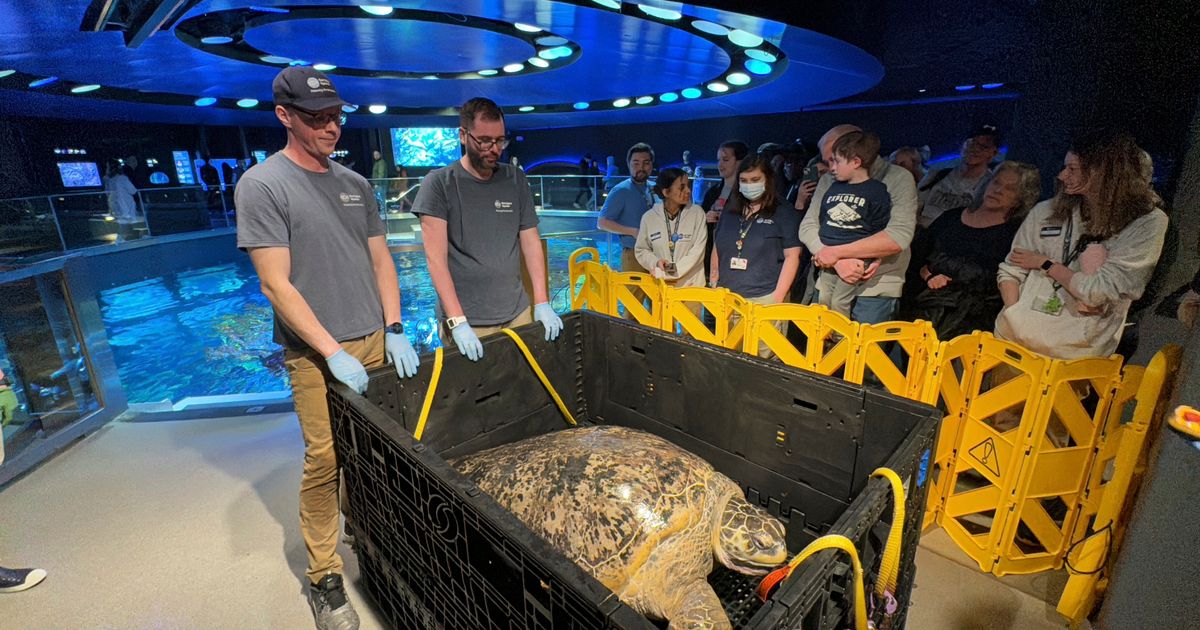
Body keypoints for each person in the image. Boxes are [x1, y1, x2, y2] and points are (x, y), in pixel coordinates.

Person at [235, 65, 420, 630]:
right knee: (326, 460)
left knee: (380, 453)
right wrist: (329, 350)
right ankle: (323, 577)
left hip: (374, 340)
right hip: (317, 354)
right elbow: (275, 283)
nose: (331, 127)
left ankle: (374, 537)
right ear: (284, 116)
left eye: (336, 116)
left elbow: (381, 258)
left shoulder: (355, 184)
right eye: (316, 118)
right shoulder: (262, 185)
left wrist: (394, 326)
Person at [411, 97, 562, 362]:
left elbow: (530, 242)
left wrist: (541, 302)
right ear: (463, 135)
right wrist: (457, 321)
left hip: (517, 313)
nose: (494, 149)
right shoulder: (439, 184)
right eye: (484, 141)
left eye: (500, 141)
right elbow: (435, 259)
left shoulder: (515, 178)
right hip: (470, 321)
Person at [995, 130, 1167, 360]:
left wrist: (1047, 264)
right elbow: (1012, 268)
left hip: (1073, 354)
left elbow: (1098, 291)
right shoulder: (1045, 211)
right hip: (1012, 342)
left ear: (1102, 172)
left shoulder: (1147, 222)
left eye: (1073, 169)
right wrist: (1014, 315)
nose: (1062, 176)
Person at [903, 161, 1040, 339]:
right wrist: (928, 276)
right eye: (996, 182)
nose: (998, 190)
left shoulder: (1018, 236)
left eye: (1010, 188)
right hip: (925, 315)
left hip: (975, 328)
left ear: (1022, 198)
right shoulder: (950, 218)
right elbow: (918, 259)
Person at [799, 124, 919, 324]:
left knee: (863, 352)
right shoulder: (830, 180)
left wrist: (838, 253)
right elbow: (808, 226)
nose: (831, 168)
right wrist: (835, 259)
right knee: (824, 345)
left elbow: (898, 236)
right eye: (828, 161)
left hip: (875, 289)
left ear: (856, 154)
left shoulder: (897, 178)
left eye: (835, 160)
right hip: (830, 275)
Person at [710, 155, 802, 357]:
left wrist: (776, 299)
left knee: (763, 359)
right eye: (744, 181)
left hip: (764, 298)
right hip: (729, 297)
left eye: (754, 180)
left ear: (767, 180)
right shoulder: (731, 208)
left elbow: (792, 256)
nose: (749, 185)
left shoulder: (783, 211)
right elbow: (718, 244)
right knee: (729, 355)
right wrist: (714, 281)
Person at [811, 131, 892, 318]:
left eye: (837, 161)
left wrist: (872, 257)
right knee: (823, 298)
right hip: (828, 253)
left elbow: (880, 224)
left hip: (855, 257)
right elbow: (823, 215)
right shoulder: (834, 186)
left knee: (840, 301)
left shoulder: (876, 190)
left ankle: (839, 340)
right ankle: (823, 338)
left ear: (856, 162)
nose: (832, 167)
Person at [634, 167, 707, 294]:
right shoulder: (649, 218)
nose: (688, 191)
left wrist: (669, 273)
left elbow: (697, 252)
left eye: (688, 185)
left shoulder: (697, 213)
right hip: (661, 289)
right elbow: (641, 250)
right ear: (666, 192)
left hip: (691, 287)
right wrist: (656, 262)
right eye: (682, 187)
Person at [917, 125, 1001, 228]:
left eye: (983, 146)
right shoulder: (936, 175)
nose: (975, 149)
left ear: (993, 153)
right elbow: (915, 206)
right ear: (963, 146)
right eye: (971, 142)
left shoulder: (992, 186)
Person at [598, 143, 655, 273]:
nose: (641, 167)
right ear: (629, 164)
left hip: (657, 255)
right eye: (636, 163)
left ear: (651, 165)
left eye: (646, 163)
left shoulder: (655, 188)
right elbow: (602, 222)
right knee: (633, 293)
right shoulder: (620, 190)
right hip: (634, 255)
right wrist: (633, 231)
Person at [701, 140, 750, 284]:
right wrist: (705, 217)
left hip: (737, 254)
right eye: (719, 160)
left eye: (726, 160)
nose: (720, 164)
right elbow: (700, 220)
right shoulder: (713, 192)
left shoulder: (746, 193)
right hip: (712, 253)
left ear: (740, 162)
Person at [104, 158, 141, 242]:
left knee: (122, 222)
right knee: (127, 221)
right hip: (125, 204)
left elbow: (108, 193)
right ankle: (126, 238)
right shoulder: (122, 178)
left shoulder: (109, 180)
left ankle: (122, 238)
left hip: (115, 204)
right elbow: (133, 190)